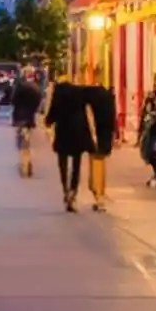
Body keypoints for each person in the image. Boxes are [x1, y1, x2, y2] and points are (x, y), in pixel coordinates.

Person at [43, 78, 93, 212]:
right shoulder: (79, 92)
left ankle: (65, 189)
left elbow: (52, 112)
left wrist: (48, 121)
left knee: (63, 163)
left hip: (63, 131)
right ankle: (73, 191)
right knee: (76, 164)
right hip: (78, 131)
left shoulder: (58, 93)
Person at [84, 85, 117, 213]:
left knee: (96, 162)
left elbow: (90, 118)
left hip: (95, 135)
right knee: (101, 163)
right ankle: (99, 193)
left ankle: (99, 196)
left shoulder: (89, 101)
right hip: (106, 133)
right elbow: (113, 118)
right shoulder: (109, 98)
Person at [11, 68, 42, 178]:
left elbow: (13, 100)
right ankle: (27, 162)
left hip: (19, 117)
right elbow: (38, 103)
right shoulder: (36, 88)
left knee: (20, 142)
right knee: (27, 142)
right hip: (29, 118)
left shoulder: (19, 88)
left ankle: (24, 164)